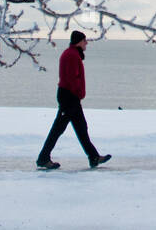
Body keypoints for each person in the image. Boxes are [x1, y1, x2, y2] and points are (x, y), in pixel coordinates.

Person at [36, 30, 112, 170]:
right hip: (69, 97)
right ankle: (43, 158)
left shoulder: (72, 54)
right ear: (79, 41)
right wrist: (78, 93)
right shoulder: (71, 55)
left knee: (81, 127)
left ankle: (93, 156)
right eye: (84, 40)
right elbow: (72, 79)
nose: (86, 43)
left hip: (70, 96)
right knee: (58, 129)